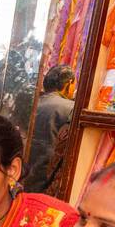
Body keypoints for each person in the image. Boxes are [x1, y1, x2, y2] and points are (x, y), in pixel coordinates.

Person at [23, 64, 75, 193]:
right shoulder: (70, 108)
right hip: (45, 175)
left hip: (23, 170)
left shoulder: (32, 102)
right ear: (69, 83)